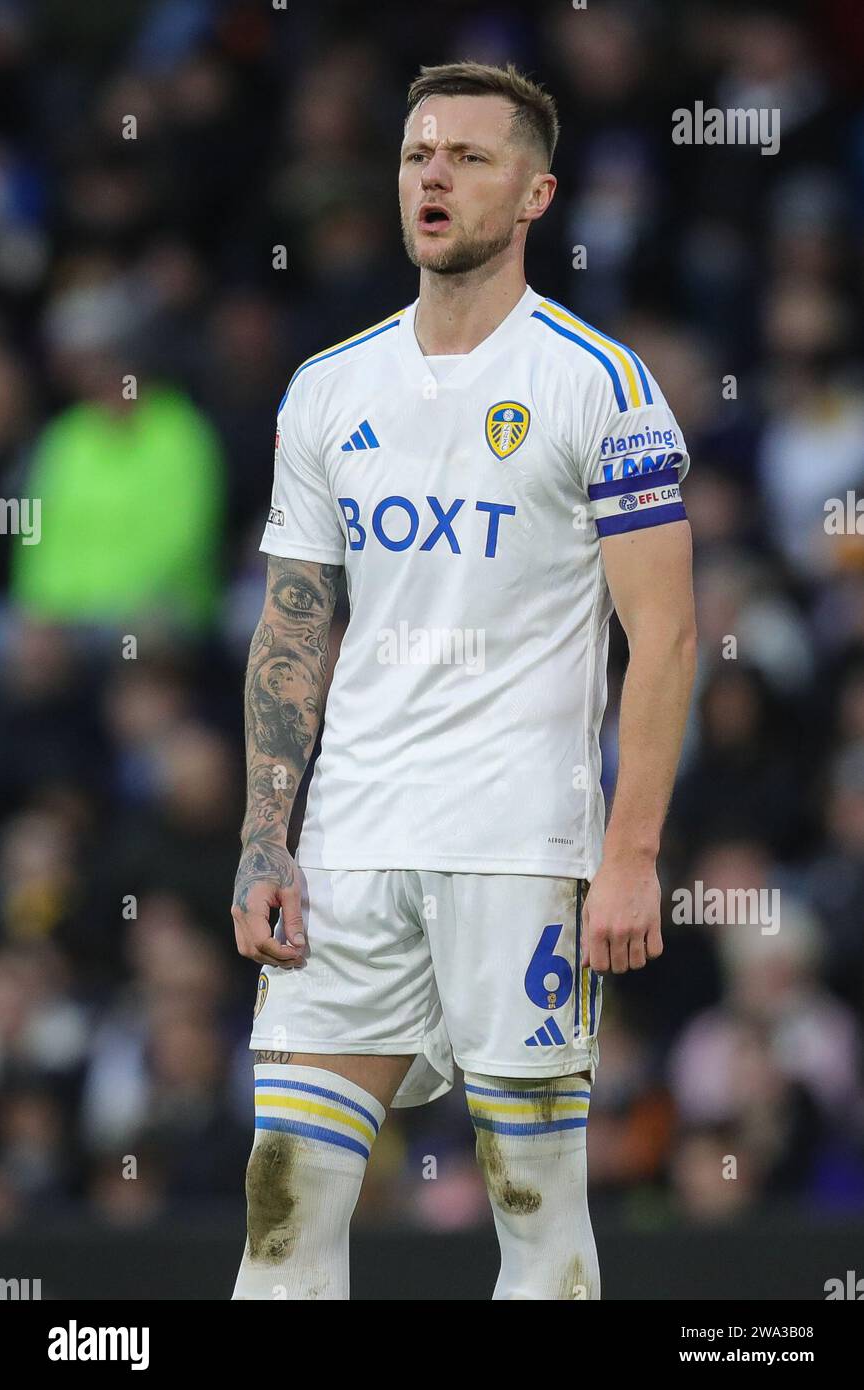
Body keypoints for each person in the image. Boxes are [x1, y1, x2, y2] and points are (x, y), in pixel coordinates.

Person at [230, 60, 696, 1301]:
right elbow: (294, 623)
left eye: (468, 158)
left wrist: (632, 853)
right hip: (350, 844)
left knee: (535, 1212)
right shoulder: (328, 389)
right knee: (282, 1209)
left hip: (516, 842)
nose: (432, 175)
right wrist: (264, 837)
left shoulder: (599, 384)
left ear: (536, 192)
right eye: (415, 154)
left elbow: (666, 636)